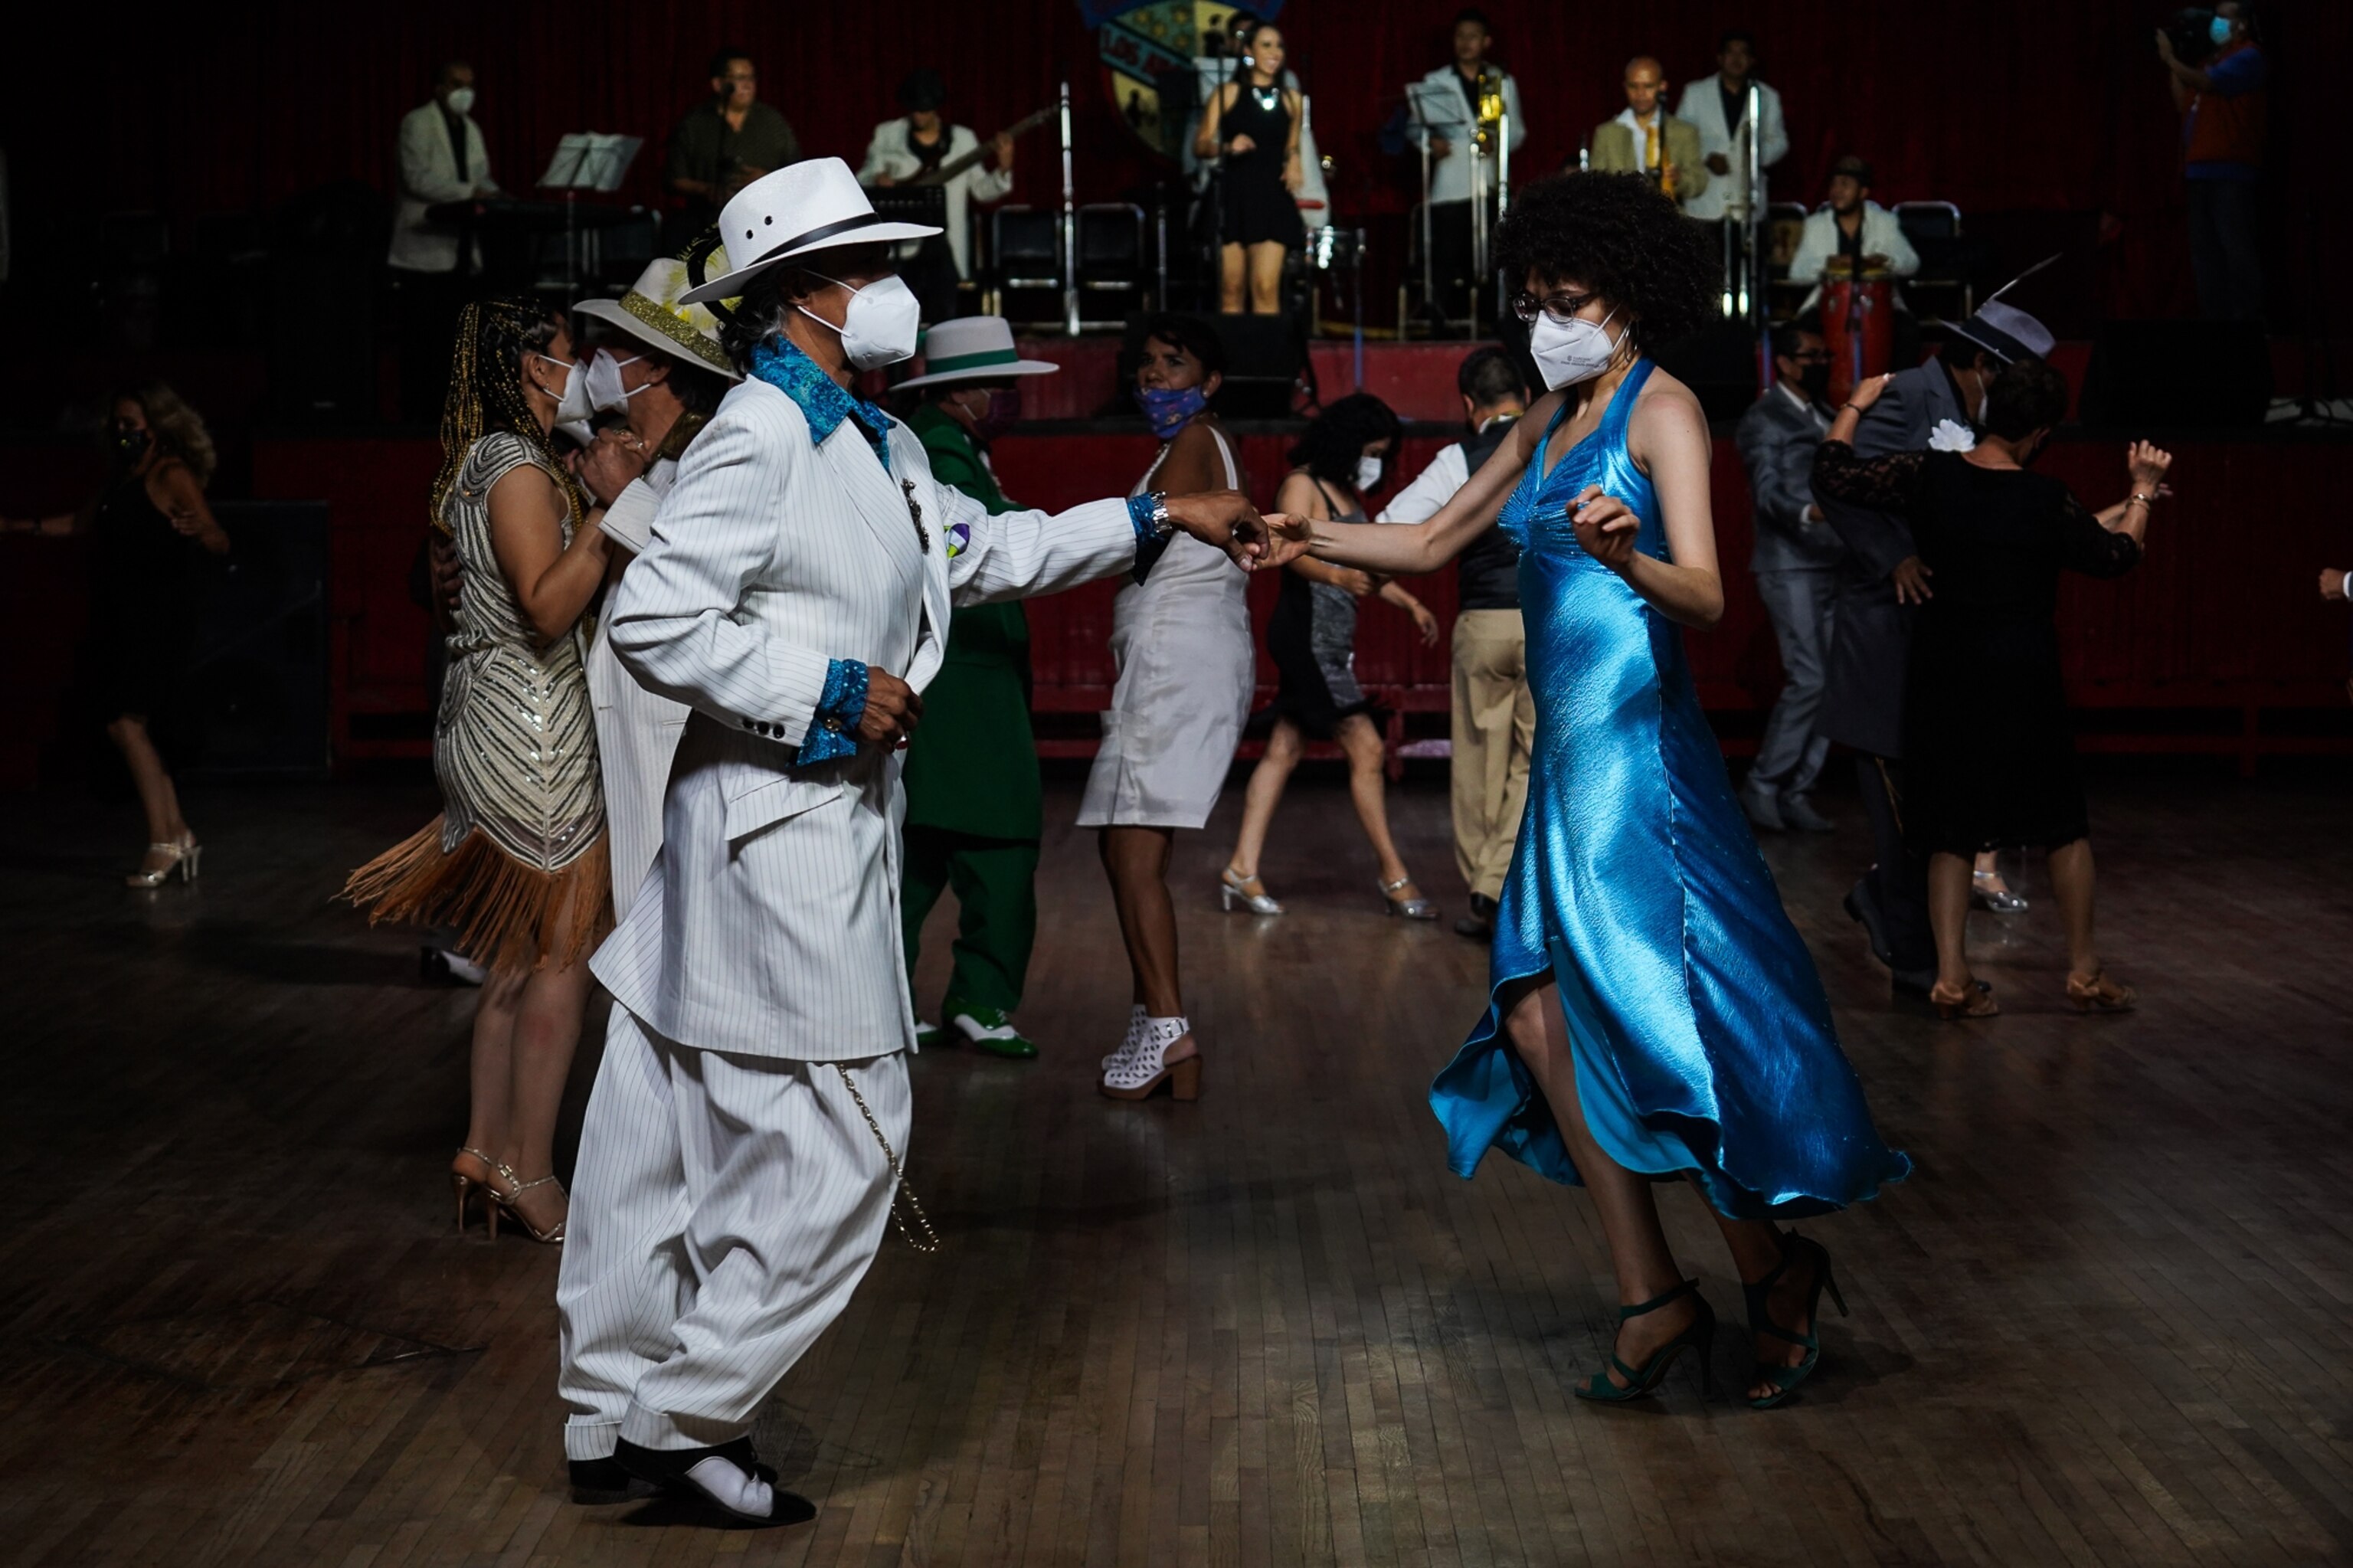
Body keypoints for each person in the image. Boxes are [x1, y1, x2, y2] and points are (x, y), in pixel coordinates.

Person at [551, 160, 1272, 1523]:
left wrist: (1160, 513)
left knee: (653, 1127)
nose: (898, 289)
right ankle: (683, 1414)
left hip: (754, 832)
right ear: (801, 295)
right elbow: (653, 620)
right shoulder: (761, 431)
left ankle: (604, 1412)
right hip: (779, 828)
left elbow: (984, 551)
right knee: (850, 1139)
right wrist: (819, 687)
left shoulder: (870, 440)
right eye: (872, 266)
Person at [1260, 172, 1909, 1409]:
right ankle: (1652, 1294)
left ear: (1629, 296)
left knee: (1665, 1029)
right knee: (1535, 1019)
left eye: (1567, 299)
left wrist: (1632, 555)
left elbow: (1710, 598)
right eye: (1535, 300)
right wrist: (1303, 538)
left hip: (1640, 772)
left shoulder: (1661, 413)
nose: (1546, 319)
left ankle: (1769, 1266)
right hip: (1567, 769)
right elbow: (1432, 541)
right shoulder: (1546, 417)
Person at [343, 300, 615, 1249]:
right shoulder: (511, 463)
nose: (580, 369)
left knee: (510, 957)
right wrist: (614, 518)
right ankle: (530, 1169)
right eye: (567, 355)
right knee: (560, 958)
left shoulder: (486, 461)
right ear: (527, 367)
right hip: (529, 728)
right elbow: (547, 608)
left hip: (487, 715)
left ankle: (485, 1153)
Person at [1816, 362, 2166, 1020]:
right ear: (2040, 433)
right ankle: (2085, 970)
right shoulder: (2043, 497)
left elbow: (1832, 473)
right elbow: (2115, 555)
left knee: (1950, 827)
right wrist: (2142, 494)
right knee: (2063, 826)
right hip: (2022, 674)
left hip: (1944, 672)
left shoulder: (1929, 475)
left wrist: (1857, 407)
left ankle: (1952, 976)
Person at [1814, 287, 2055, 993]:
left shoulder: (1973, 414)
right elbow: (1837, 483)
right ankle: (1916, 960)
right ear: (1981, 361)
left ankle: (1891, 911)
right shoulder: (1904, 396)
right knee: (1902, 802)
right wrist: (1893, 555)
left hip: (1942, 634)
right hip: (1889, 627)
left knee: (1933, 803)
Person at [1082, 314, 1256, 1102]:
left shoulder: (1197, 440)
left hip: (1174, 661)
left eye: (1173, 362)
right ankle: (1156, 1014)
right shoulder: (1190, 443)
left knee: (1133, 849)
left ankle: (1169, 1028)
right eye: (1145, 365)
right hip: (1174, 658)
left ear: (1211, 380)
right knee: (1124, 845)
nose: (1154, 378)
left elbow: (1151, 529)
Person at [888, 316, 1060, 1059]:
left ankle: (900, 999)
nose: (1008, 398)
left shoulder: (945, 444)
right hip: (966, 694)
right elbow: (989, 537)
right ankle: (978, 999)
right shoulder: (942, 454)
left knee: (920, 851)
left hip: (960, 687)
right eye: (1001, 385)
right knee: (1001, 847)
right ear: (966, 391)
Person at [1224, 394, 1441, 921]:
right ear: (1346, 443)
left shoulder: (1343, 489)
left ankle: (1240, 869)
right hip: (1309, 637)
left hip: (1331, 640)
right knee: (1367, 748)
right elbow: (1287, 558)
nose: (1375, 462)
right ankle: (1395, 877)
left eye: (1382, 453)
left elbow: (1360, 566)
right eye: (1370, 450)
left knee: (1284, 747)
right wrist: (1339, 577)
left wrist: (1409, 602)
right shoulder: (1303, 485)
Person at [570, 247, 740, 917]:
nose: (599, 361)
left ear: (661, 364)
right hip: (620, 735)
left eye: (620, 346)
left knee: (672, 933)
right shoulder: (630, 457)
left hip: (672, 738)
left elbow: (711, 568)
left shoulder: (718, 448)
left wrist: (624, 498)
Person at [11, 385, 231, 885]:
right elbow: (80, 523)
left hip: (158, 618)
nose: (123, 433)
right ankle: (179, 834)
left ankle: (162, 842)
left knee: (126, 726)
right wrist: (18, 526)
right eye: (118, 425)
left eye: (132, 424)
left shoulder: (170, 473)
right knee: (135, 726)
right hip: (124, 616)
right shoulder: (121, 479)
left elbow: (219, 539)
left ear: (156, 425)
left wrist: (200, 529)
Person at [1377, 347, 1530, 940]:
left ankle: (1482, 890)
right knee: (1533, 761)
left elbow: (1395, 524)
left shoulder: (1458, 457)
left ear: (1470, 406)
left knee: (1476, 762)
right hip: (1549, 619)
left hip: (1482, 622)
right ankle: (1501, 884)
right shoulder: (1558, 441)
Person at [1733, 316, 1844, 834]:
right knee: (1810, 677)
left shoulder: (1826, 412)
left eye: (1826, 358)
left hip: (1831, 560)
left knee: (1832, 680)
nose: (1821, 366)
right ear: (1783, 363)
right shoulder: (1765, 417)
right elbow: (1769, 491)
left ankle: (1797, 788)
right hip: (1790, 562)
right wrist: (1812, 512)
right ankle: (1763, 783)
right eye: (1811, 358)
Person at [859, 68, 1016, 324]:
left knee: (945, 320)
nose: (920, 115)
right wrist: (876, 179)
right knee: (900, 322)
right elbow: (863, 177)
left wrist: (1004, 168)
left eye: (925, 110)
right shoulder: (888, 135)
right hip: (902, 248)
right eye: (915, 109)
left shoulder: (962, 140)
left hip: (944, 248)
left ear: (936, 108)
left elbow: (982, 190)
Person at [388, 61, 499, 421]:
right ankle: (417, 418)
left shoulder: (472, 128)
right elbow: (417, 179)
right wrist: (471, 192)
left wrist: (497, 195)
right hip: (423, 250)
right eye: (456, 84)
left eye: (470, 84)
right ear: (438, 87)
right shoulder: (417, 123)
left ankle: (456, 415)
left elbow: (482, 176)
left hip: (463, 251)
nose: (464, 92)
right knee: (423, 342)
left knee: (457, 343)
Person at [1406, 8, 1528, 326]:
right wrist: (1429, 143)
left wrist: (1497, 142)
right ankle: (1439, 317)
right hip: (1450, 180)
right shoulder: (1436, 81)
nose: (1465, 43)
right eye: (1460, 36)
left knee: (1490, 255)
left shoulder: (1501, 81)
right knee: (1445, 252)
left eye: (1472, 36)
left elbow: (1517, 131)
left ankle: (1493, 320)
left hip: (1486, 179)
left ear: (1486, 41)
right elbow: (1414, 127)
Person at [2158, 2, 2266, 319]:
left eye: (2224, 18)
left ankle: (2247, 324)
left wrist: (2170, 59)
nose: (2216, 24)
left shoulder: (2249, 57)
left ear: (2242, 25)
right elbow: (2184, 103)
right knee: (2205, 256)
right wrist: (2173, 63)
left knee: (2236, 250)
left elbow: (2208, 84)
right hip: (2198, 169)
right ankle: (2216, 325)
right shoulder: (2209, 62)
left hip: (2231, 170)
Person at [1193, 21, 1304, 314]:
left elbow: (1292, 145)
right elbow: (1201, 145)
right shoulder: (1227, 93)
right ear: (1248, 51)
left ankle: (1266, 359)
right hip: (1234, 196)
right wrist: (1227, 147)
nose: (1275, 52)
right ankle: (1231, 359)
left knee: (1265, 287)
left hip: (1272, 197)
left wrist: (1294, 159)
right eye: (1266, 45)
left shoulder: (1292, 99)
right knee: (1231, 290)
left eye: (1279, 46)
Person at [1674, 30, 1787, 314]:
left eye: (1743, 54)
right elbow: (1679, 138)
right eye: (1731, 53)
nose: (1737, 60)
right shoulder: (1696, 93)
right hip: (1706, 203)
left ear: (1752, 60)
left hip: (1746, 200)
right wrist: (1704, 158)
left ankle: (1744, 335)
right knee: (1705, 280)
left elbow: (1780, 143)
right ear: (1720, 58)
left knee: (1747, 277)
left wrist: (1753, 156)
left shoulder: (1767, 96)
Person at [665, 47, 800, 236]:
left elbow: (796, 173)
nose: (747, 85)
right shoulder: (695, 124)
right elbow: (675, 178)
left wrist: (766, 179)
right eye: (739, 78)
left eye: (751, 78)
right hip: (707, 224)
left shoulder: (772, 122)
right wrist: (707, 189)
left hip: (766, 225)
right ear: (719, 84)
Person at [1785, 155, 1919, 313]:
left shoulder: (1884, 221)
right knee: (1797, 334)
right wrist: (1830, 263)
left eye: (1845, 185)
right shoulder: (1816, 224)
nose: (1837, 191)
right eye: (1834, 184)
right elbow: (1797, 273)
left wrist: (1885, 261)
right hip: (1829, 306)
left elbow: (1912, 263)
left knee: (1907, 331)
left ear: (1863, 192)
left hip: (1877, 306)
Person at [1589, 58, 1708, 211]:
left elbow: (1699, 182)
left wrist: (1678, 179)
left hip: (1668, 223)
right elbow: (1595, 183)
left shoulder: (1683, 132)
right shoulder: (1607, 133)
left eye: (1648, 86)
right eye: (1633, 86)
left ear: (1662, 86)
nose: (1640, 94)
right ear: (1625, 87)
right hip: (1620, 222)